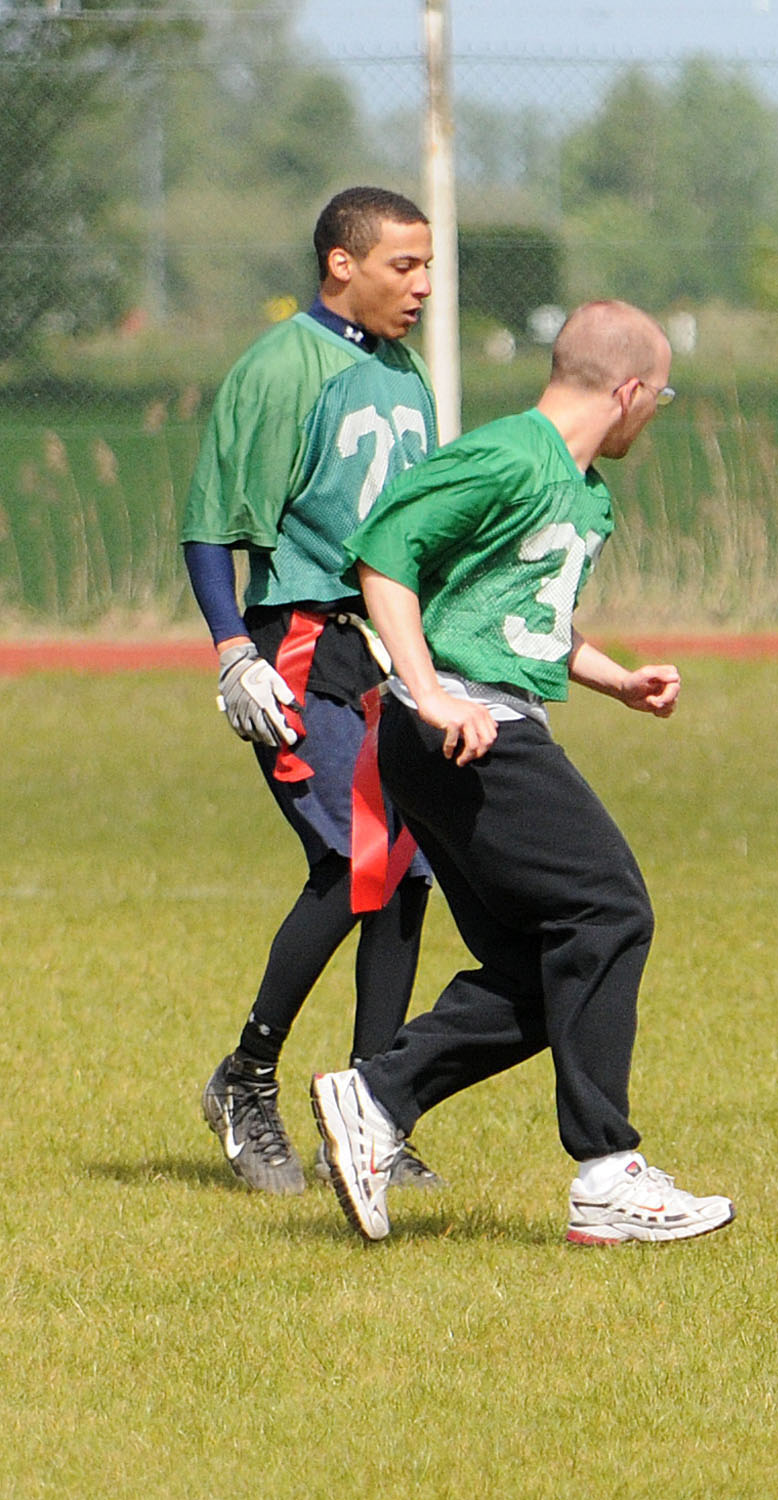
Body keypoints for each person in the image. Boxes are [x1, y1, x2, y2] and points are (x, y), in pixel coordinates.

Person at [309, 299, 734, 1247]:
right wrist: (427, 693)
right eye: (657, 397)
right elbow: (384, 560)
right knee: (609, 909)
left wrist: (617, 678)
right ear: (627, 390)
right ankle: (609, 1174)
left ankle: (375, 1099)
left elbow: (519, 610)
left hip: (481, 718)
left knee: (540, 971)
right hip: (463, 725)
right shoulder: (507, 455)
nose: (654, 414)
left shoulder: (585, 492)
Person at [179, 186, 444, 1196]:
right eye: (401, 267)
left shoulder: (401, 369)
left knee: (407, 871)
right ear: (341, 263)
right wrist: (229, 650)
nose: (419, 287)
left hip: (385, 647)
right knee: (352, 858)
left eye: (426, 267)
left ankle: (369, 1114)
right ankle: (245, 1080)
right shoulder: (284, 364)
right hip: (298, 639)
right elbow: (211, 519)